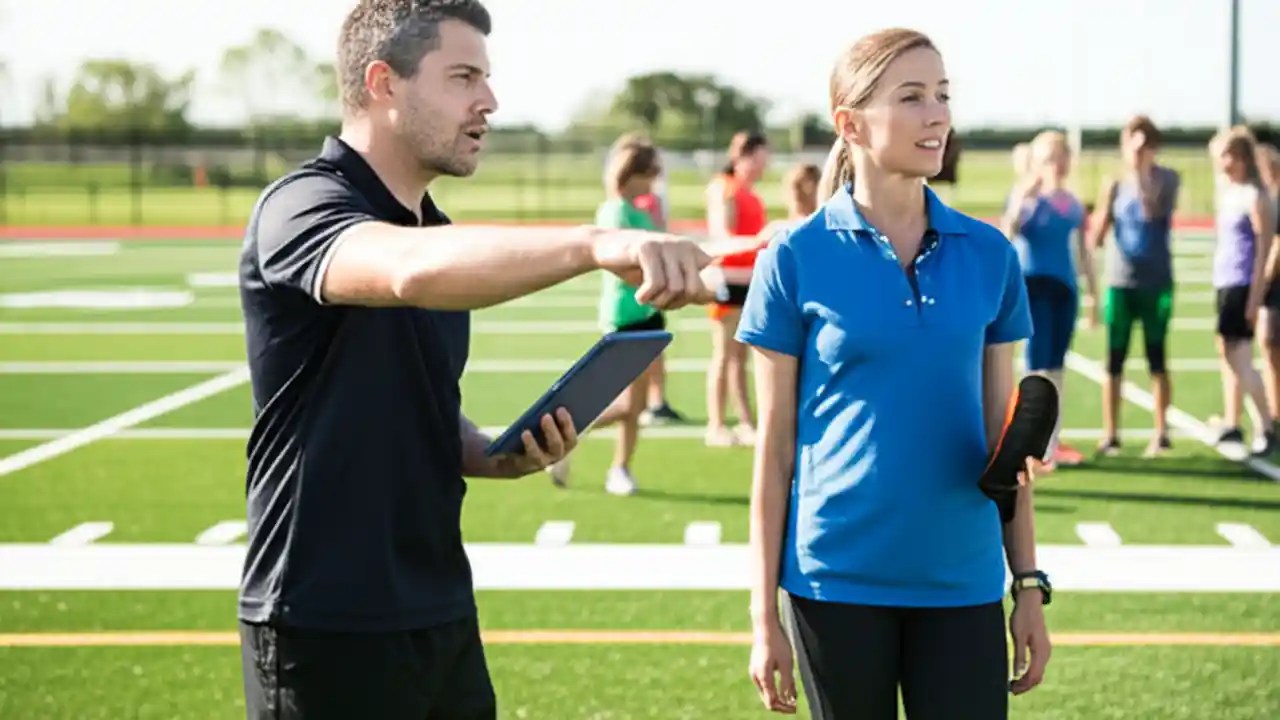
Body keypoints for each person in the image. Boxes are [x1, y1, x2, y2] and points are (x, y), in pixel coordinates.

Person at [235, 2, 715, 718]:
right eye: (463, 77)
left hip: (438, 606)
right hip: (323, 616)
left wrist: (489, 450)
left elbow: (415, 400)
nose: (488, 100)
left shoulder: (436, 231)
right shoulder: (303, 205)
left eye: (485, 78)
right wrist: (592, 246)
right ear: (383, 84)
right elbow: (405, 272)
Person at [741, 28, 1051, 719]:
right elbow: (775, 451)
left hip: (963, 581)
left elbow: (1010, 447)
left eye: (943, 94)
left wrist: (1027, 582)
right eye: (911, 97)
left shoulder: (991, 254)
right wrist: (764, 619)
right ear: (850, 123)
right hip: (833, 585)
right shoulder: (793, 256)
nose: (937, 113)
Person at [549, 136, 670, 495]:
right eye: (650, 175)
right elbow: (630, 262)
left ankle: (621, 467)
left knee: (638, 405)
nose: (653, 182)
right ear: (635, 174)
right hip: (626, 314)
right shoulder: (616, 211)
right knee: (629, 404)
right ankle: (570, 435)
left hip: (648, 311)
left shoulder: (639, 208)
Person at [1000, 130, 1099, 469]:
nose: (1056, 165)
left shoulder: (1071, 202)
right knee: (1036, 368)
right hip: (1034, 287)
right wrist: (1019, 201)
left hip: (1064, 290)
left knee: (1056, 367)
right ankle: (1028, 444)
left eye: (1062, 157)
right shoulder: (1026, 197)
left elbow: (1084, 252)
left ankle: (1051, 445)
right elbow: (1006, 236)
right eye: (1049, 158)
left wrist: (1093, 298)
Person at [1087, 115, 1180, 458]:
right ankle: (1111, 433)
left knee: (1157, 358)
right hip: (1120, 281)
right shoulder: (1113, 184)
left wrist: (1141, 175)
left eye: (1144, 144)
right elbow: (1097, 234)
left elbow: (1153, 211)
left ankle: (1161, 431)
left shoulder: (1167, 179)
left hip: (1156, 282)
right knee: (1114, 359)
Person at [1206, 127, 1277, 454]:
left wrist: (1255, 297)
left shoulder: (1256, 196)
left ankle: (1266, 425)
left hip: (1242, 283)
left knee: (1240, 357)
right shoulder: (1228, 191)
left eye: (1225, 154)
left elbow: (1263, 249)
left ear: (1241, 158)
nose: (1220, 162)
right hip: (1225, 281)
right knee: (1228, 353)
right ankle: (1233, 422)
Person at [704, 130, 771, 447]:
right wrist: (760, 241)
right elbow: (722, 236)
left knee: (741, 355)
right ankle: (715, 424)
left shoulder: (749, 191)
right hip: (728, 278)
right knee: (723, 353)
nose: (763, 165)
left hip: (749, 278)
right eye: (759, 158)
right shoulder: (724, 189)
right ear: (742, 156)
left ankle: (745, 422)